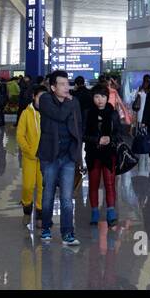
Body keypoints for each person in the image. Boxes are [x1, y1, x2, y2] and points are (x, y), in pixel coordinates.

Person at [36, 70, 84, 244]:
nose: (67, 87)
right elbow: (60, 115)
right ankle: (46, 228)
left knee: (67, 197)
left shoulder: (73, 101)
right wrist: (70, 103)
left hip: (68, 156)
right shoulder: (46, 99)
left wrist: (78, 153)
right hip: (50, 155)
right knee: (48, 194)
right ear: (53, 87)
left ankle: (67, 232)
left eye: (68, 84)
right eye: (62, 84)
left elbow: (78, 126)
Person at [84, 86, 122, 225]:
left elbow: (119, 133)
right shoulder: (88, 113)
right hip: (93, 154)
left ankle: (111, 211)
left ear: (107, 98)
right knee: (93, 184)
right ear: (92, 98)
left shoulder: (113, 113)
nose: (100, 100)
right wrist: (96, 140)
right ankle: (94, 211)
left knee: (109, 183)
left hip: (109, 153)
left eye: (103, 97)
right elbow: (82, 134)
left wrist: (110, 139)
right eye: (96, 97)